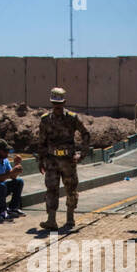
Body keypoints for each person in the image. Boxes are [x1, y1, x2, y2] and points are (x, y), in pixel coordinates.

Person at [36, 87, 91, 232]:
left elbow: (86, 134)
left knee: (71, 190)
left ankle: (70, 218)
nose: (57, 107)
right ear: (51, 103)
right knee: (51, 190)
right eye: (55, 104)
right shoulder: (45, 120)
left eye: (59, 104)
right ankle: (51, 220)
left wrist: (81, 155)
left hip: (68, 161)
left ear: (64, 102)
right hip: (51, 161)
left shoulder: (72, 118)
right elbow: (41, 141)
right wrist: (40, 160)